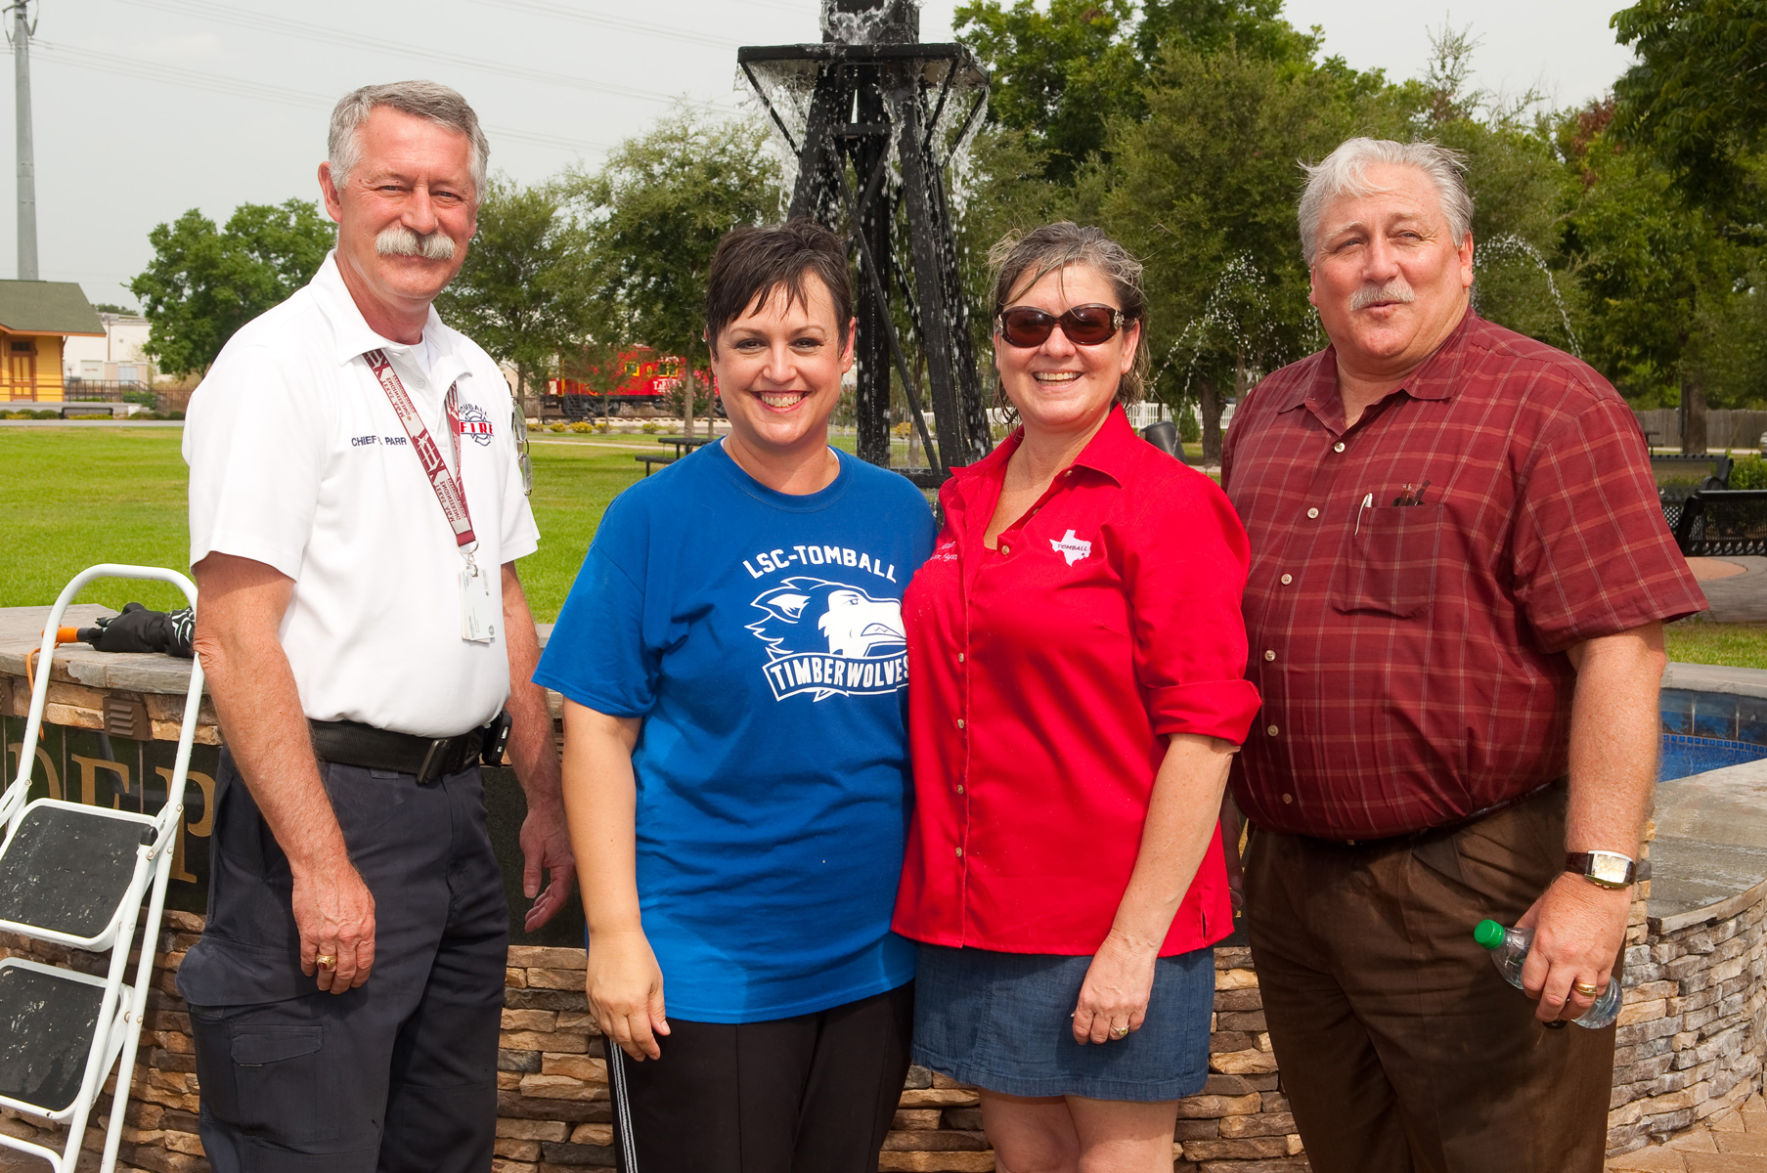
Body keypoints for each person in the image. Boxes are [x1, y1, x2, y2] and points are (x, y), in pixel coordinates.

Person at [1220, 137, 1708, 1173]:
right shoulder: (1265, 414)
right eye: (1349, 243)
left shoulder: (1550, 406)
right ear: (1316, 276)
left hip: (1475, 882)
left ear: (1466, 256)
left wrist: (1598, 879)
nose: (1380, 264)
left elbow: (1623, 650)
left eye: (1409, 235)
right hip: (1296, 885)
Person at [179, 81, 576, 1173]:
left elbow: (504, 601)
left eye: (448, 192)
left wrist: (539, 794)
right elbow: (235, 637)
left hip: (456, 812)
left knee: (440, 1146)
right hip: (327, 804)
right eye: (392, 184)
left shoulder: (473, 375)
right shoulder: (276, 369)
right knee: (305, 1144)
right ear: (332, 193)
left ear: (475, 210)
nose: (422, 214)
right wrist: (321, 863)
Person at [533, 220, 935, 1173]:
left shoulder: (900, 515)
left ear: (847, 353)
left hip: (872, 959)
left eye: (804, 342)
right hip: (704, 966)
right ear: (712, 361)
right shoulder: (652, 518)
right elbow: (595, 733)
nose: (778, 369)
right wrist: (617, 935)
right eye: (749, 343)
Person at [893, 222, 1263, 1173]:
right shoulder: (965, 498)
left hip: (1111, 921)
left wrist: (1132, 944)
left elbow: (1205, 736)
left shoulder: (1166, 503)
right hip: (979, 914)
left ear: (1129, 340)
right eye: (1027, 323)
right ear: (998, 343)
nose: (1056, 345)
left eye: (1087, 322)